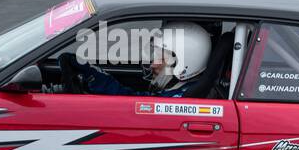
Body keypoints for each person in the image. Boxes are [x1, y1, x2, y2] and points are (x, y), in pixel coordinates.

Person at [59, 21, 213, 97]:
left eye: (159, 58)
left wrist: (94, 76)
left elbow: (129, 103)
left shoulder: (177, 100)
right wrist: (92, 73)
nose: (152, 64)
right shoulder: (180, 90)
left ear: (182, 64)